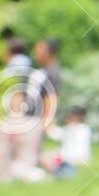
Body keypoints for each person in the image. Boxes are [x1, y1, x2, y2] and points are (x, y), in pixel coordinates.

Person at [12, 38, 63, 179]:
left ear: (49, 52)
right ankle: (54, 169)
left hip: (37, 118)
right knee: (31, 151)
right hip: (27, 117)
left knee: (30, 153)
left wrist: (47, 120)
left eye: (40, 49)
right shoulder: (39, 70)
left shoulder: (53, 71)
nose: (36, 52)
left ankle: (47, 171)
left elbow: (51, 97)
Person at [0, 38, 35, 182]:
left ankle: (9, 173)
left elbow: (15, 87)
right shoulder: (26, 61)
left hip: (17, 105)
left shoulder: (15, 63)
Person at [43, 107, 91, 179]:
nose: (67, 118)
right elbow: (57, 134)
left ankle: (52, 172)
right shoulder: (81, 128)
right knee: (48, 155)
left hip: (72, 159)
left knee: (46, 158)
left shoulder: (77, 129)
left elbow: (58, 134)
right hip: (72, 158)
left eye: (69, 116)